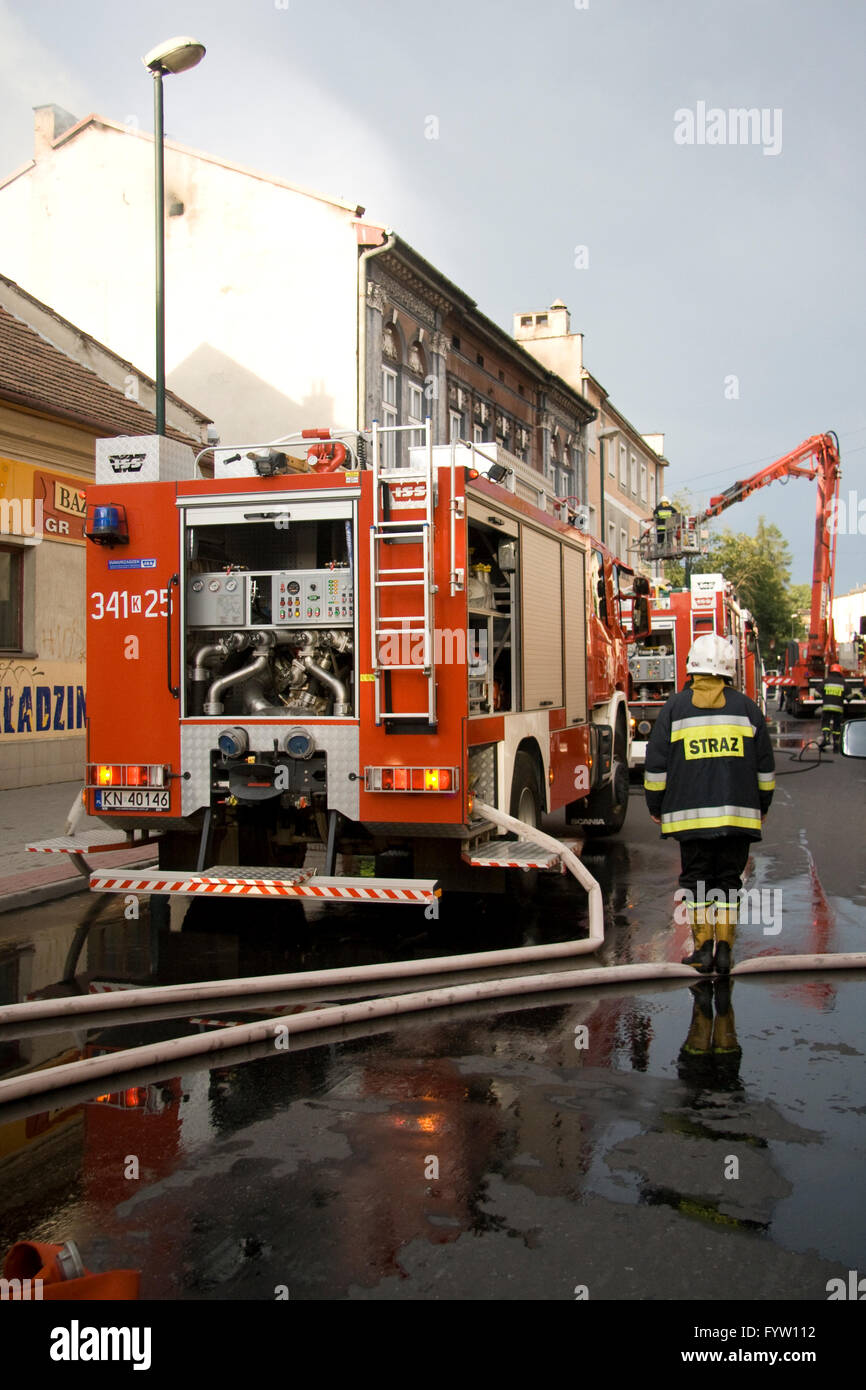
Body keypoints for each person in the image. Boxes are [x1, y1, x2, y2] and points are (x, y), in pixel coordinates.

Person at [644, 633, 775, 974]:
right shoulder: (747, 708)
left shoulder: (674, 708)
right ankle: (727, 951)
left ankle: (703, 951)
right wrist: (762, 805)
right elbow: (765, 767)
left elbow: (656, 764)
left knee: (698, 880)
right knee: (729, 880)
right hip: (738, 819)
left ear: (692, 668)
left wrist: (655, 806)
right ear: (728, 670)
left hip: (692, 821)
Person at [818, 662, 846, 752]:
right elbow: (849, 696)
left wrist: (821, 696)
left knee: (825, 723)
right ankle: (836, 743)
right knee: (837, 726)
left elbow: (816, 693)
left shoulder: (826, 681)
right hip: (838, 709)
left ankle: (826, 737)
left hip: (827, 708)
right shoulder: (843, 682)